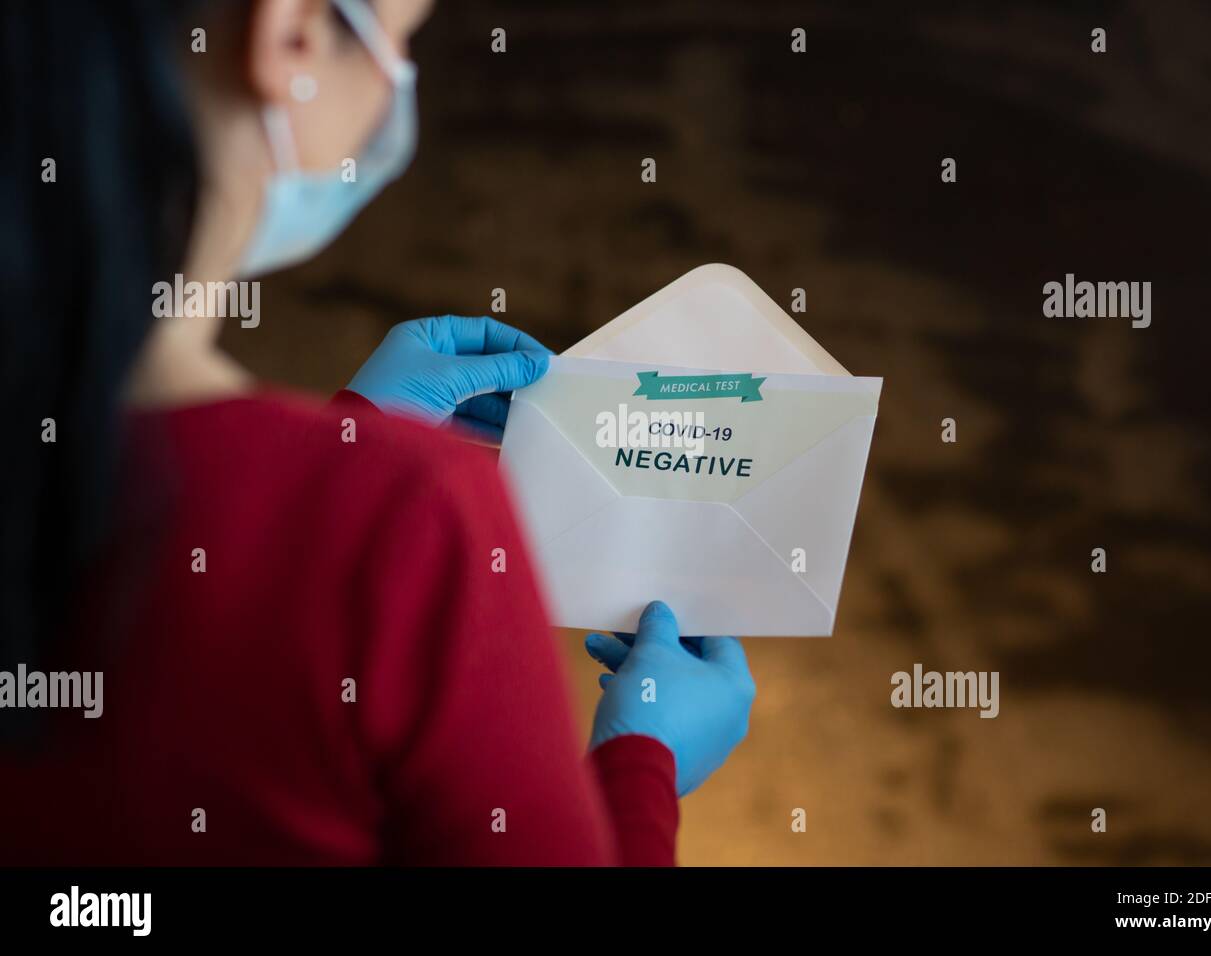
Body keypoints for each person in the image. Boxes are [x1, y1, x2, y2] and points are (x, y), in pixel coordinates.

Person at [0, 0, 754, 865]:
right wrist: (642, 764)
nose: (400, 88)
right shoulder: (416, 521)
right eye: (402, 37)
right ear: (292, 35)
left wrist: (350, 450)